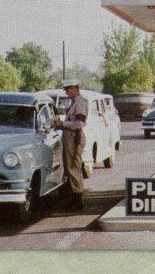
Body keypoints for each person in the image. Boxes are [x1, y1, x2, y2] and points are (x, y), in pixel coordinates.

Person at [52, 79, 88, 211]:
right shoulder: (75, 103)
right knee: (70, 167)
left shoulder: (80, 103)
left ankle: (78, 200)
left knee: (73, 167)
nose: (67, 93)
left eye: (67, 90)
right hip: (71, 137)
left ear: (73, 89)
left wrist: (63, 124)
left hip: (75, 137)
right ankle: (74, 197)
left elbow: (80, 124)